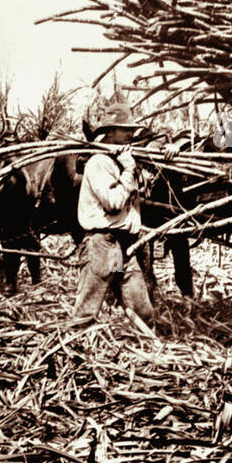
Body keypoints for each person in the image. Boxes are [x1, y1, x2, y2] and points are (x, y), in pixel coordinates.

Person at [70, 102, 154, 326]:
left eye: (131, 130)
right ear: (109, 131)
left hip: (122, 249)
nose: (130, 134)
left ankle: (145, 354)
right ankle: (73, 351)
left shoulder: (123, 159)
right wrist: (128, 171)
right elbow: (114, 202)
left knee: (142, 311)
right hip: (103, 245)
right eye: (124, 129)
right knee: (85, 314)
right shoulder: (99, 162)